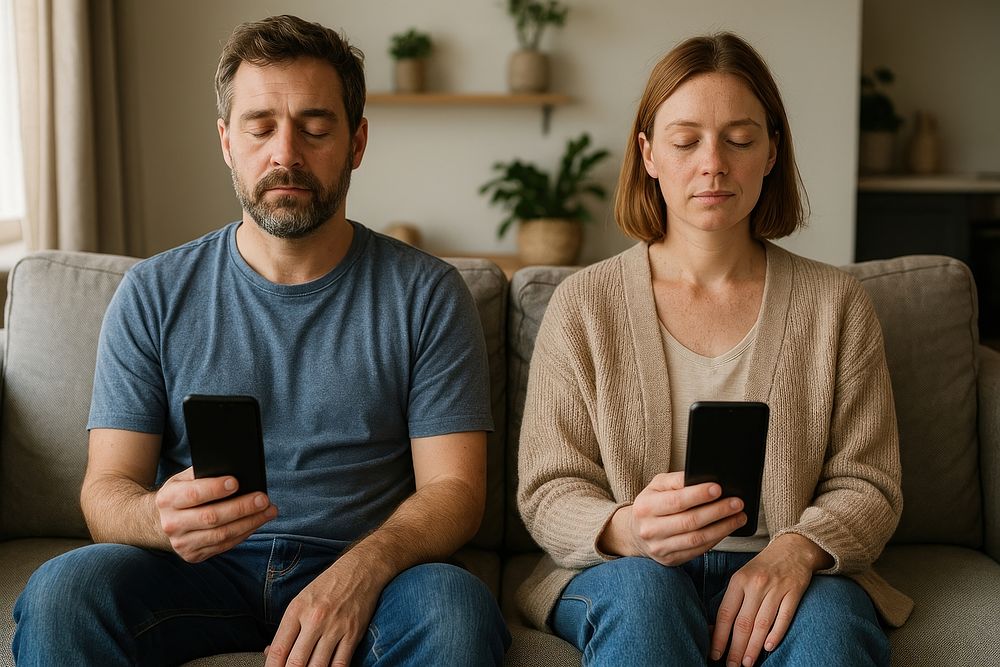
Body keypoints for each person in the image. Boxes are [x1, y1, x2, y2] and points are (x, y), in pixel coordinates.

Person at [12, 14, 509, 667]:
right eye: (260, 126)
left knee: (455, 609)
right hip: (198, 571)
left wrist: (362, 571)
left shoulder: (427, 293)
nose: (286, 153)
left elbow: (456, 491)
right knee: (61, 592)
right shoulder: (153, 292)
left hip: (369, 570)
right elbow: (106, 490)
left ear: (357, 142)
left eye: (315, 128)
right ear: (227, 141)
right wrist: (158, 517)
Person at [516, 32, 913, 667]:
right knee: (646, 601)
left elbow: (868, 482)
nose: (714, 164)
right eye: (685, 141)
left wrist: (798, 549)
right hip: (629, 572)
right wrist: (628, 529)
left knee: (833, 636)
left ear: (772, 151)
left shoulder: (836, 304)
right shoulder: (583, 305)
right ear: (648, 154)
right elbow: (548, 487)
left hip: (791, 567)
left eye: (740, 139)